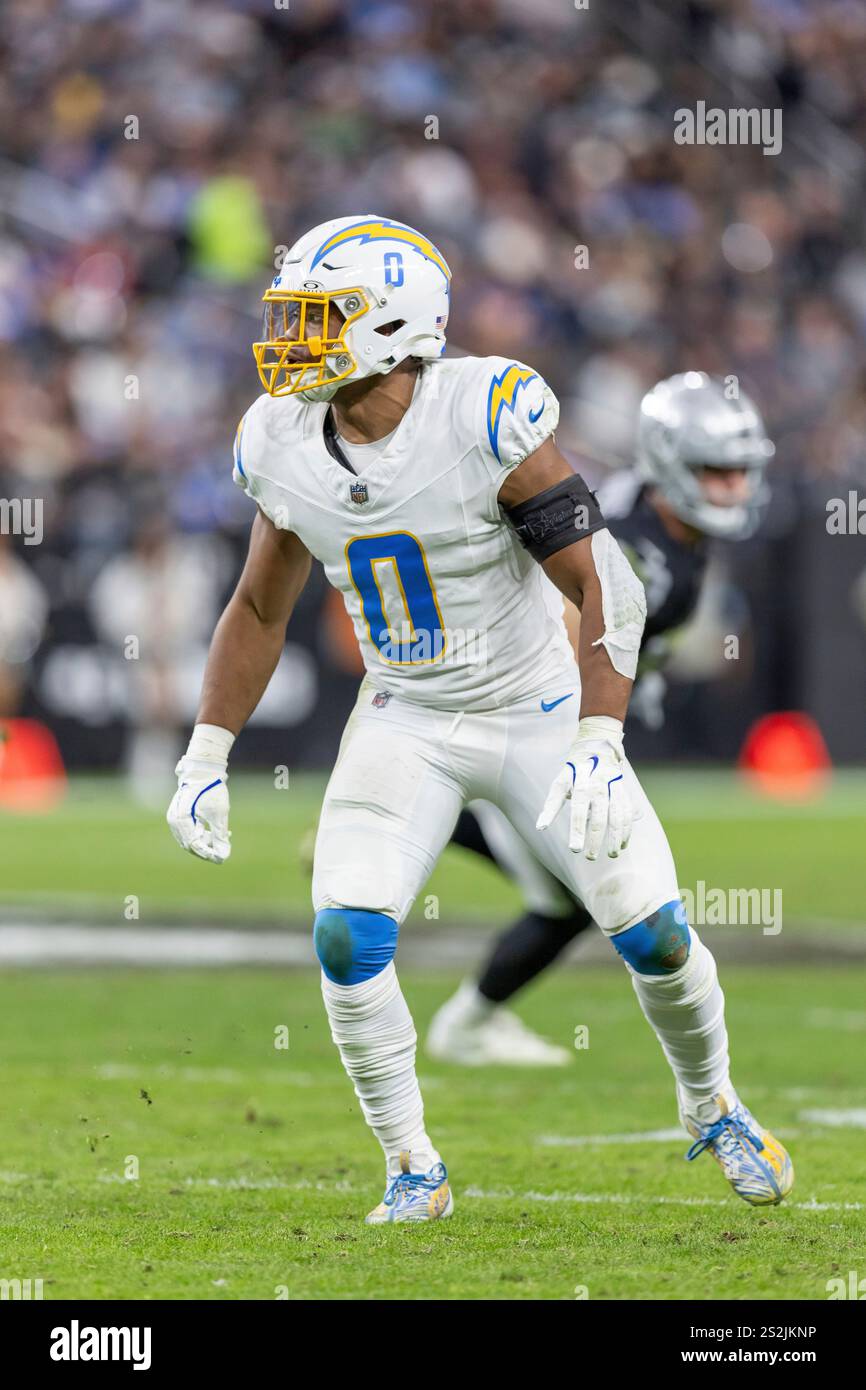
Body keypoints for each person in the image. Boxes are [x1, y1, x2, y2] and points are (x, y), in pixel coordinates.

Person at [166, 216, 792, 1223]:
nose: (290, 335)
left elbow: (603, 587)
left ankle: (710, 1101)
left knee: (656, 934)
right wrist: (206, 750)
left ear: (394, 325)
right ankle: (413, 1163)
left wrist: (597, 737)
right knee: (344, 938)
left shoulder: (481, 411)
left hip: (537, 703)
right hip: (405, 712)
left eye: (317, 315)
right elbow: (256, 607)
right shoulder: (278, 439)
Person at [427, 372, 774, 1067]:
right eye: (716, 472)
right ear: (672, 463)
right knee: (580, 892)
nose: (733, 488)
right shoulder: (644, 550)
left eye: (741, 473)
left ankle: (427, 826)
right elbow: (568, 623)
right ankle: (463, 1019)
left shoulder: (644, 510)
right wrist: (582, 732)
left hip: (536, 704)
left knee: (568, 889)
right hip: (535, 708)